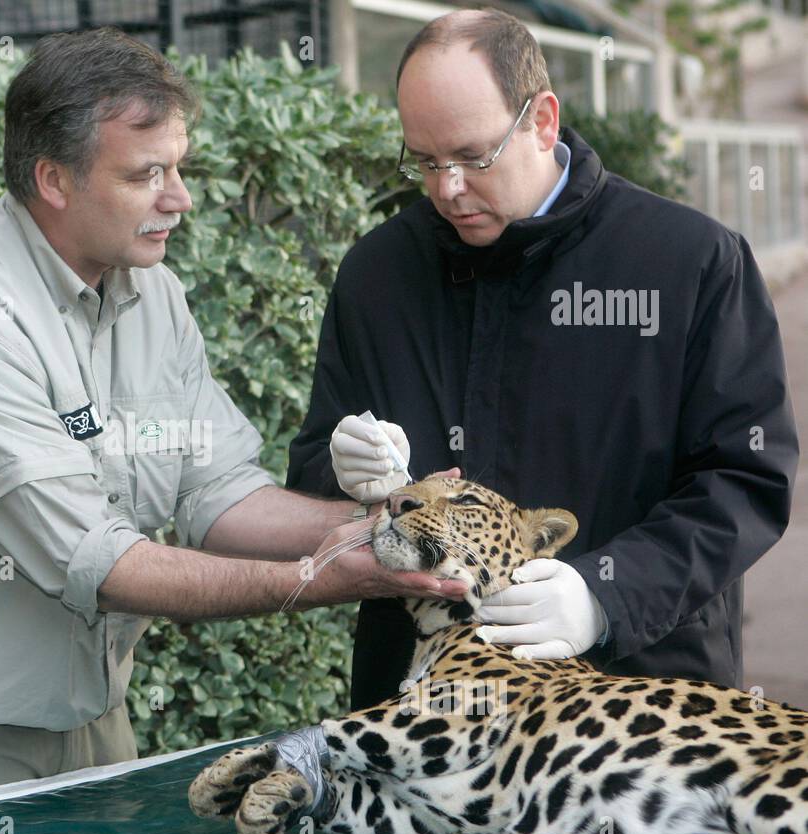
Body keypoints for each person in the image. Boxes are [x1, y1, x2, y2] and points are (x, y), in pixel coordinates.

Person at [0, 26, 469, 814]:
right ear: (52, 179)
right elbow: (101, 564)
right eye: (147, 173)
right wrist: (323, 577)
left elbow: (217, 489)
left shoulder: (150, 289)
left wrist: (377, 527)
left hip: (97, 719)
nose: (180, 197)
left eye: (180, 167)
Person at [286, 8, 798, 710]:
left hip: (639, 714)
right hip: (416, 721)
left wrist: (605, 594)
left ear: (543, 121)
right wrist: (339, 475)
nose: (447, 189)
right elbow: (312, 467)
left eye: (472, 156)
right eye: (425, 161)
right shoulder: (377, 274)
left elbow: (745, 479)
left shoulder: (691, 262)